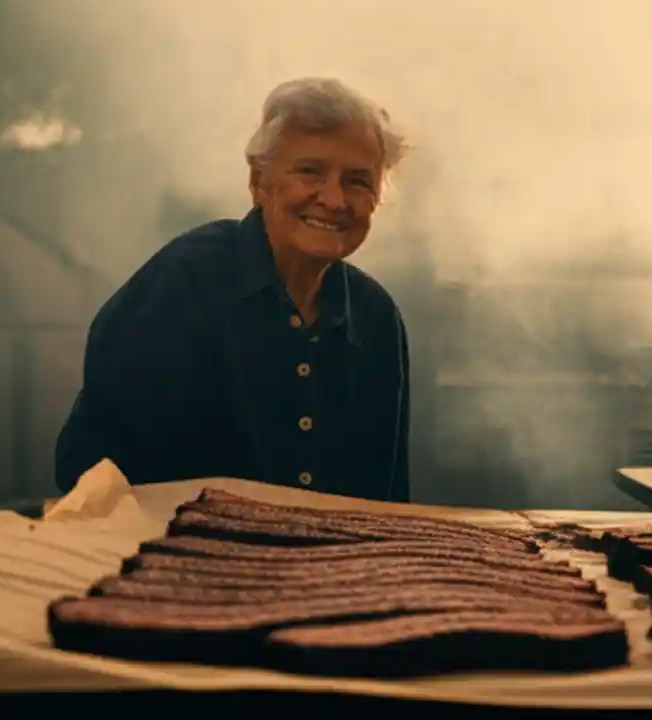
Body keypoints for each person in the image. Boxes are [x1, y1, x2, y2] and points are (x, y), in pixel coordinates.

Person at [54, 77, 411, 501]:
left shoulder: (376, 317)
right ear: (259, 181)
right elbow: (96, 478)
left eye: (358, 180)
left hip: (336, 564)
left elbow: (388, 507)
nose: (334, 200)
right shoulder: (181, 284)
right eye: (310, 171)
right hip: (176, 557)